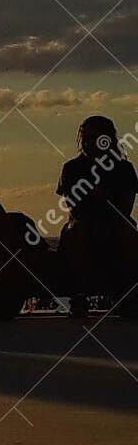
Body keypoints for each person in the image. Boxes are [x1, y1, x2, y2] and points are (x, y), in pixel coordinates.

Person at [56, 115, 138, 318]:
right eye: (86, 137)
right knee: (78, 229)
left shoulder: (123, 169)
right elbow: (74, 208)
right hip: (81, 223)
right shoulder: (72, 169)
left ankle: (127, 295)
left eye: (95, 137)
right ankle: (79, 295)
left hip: (114, 222)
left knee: (127, 229)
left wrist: (103, 201)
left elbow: (125, 209)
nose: (89, 142)